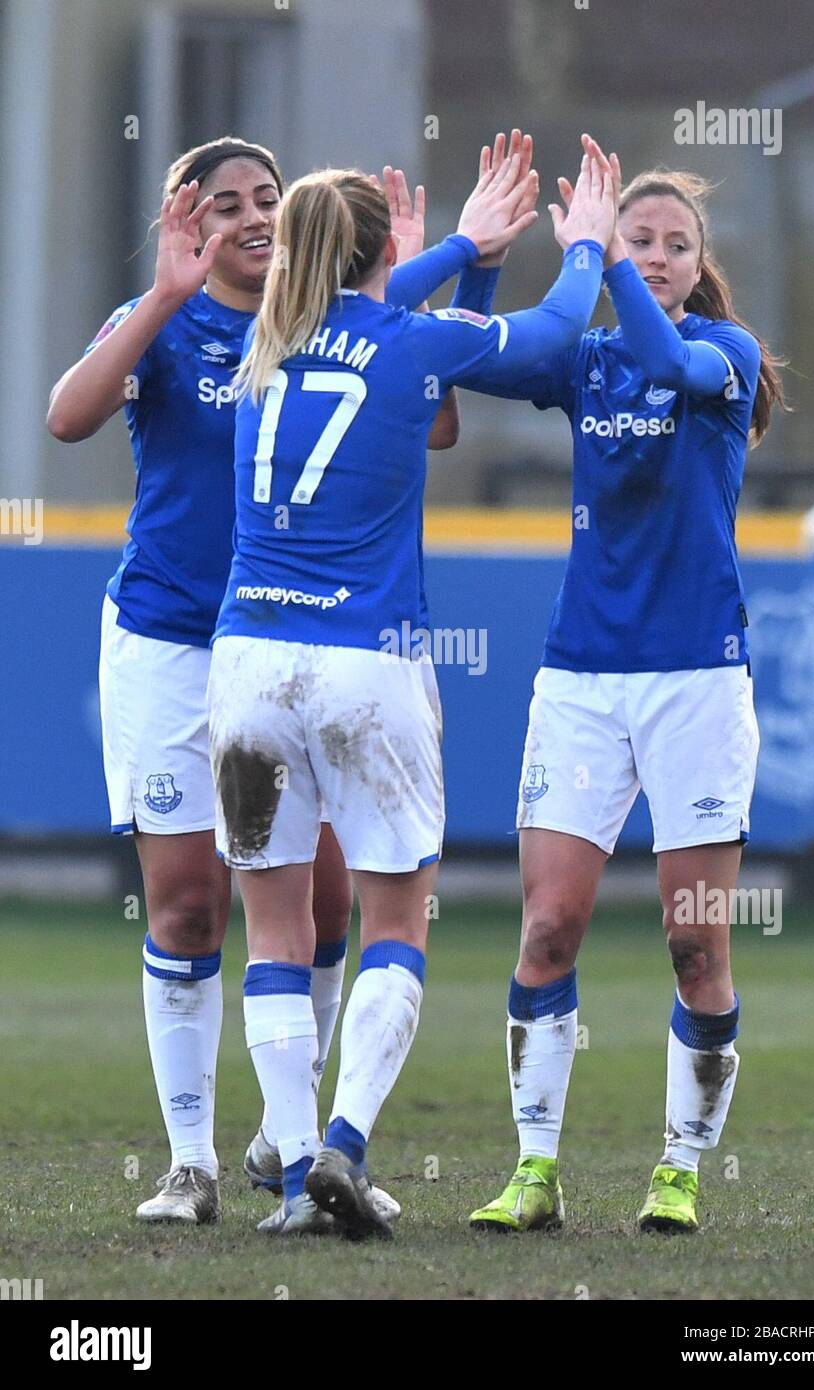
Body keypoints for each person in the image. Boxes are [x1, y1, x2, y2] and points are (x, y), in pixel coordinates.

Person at [45, 135, 471, 1225]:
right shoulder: (167, 320)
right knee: (187, 903)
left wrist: (402, 284)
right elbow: (68, 413)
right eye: (222, 201)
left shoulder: (329, 323)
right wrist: (157, 297)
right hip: (171, 641)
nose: (249, 216)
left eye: (267, 199)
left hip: (287, 653)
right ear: (183, 221)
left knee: (322, 901)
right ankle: (190, 1163)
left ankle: (294, 1141)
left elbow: (435, 425)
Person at [207, 144, 615, 1238]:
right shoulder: (410, 336)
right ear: (385, 253)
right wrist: (581, 242)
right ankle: (344, 1143)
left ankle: (296, 1178)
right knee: (394, 915)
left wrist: (459, 248)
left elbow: (369, 309)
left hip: (246, 664)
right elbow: (553, 331)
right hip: (364, 666)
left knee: (276, 934)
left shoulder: (264, 337)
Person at [468, 136, 788, 1235]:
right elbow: (466, 357)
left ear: (700, 265)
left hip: (696, 680)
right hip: (581, 683)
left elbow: (669, 369)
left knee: (694, 939)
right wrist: (478, 253)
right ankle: (534, 1170)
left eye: (670, 244)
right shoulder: (582, 356)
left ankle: (680, 1168)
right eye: (635, 237)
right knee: (548, 926)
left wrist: (596, 259)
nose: (649, 255)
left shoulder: (722, 349)